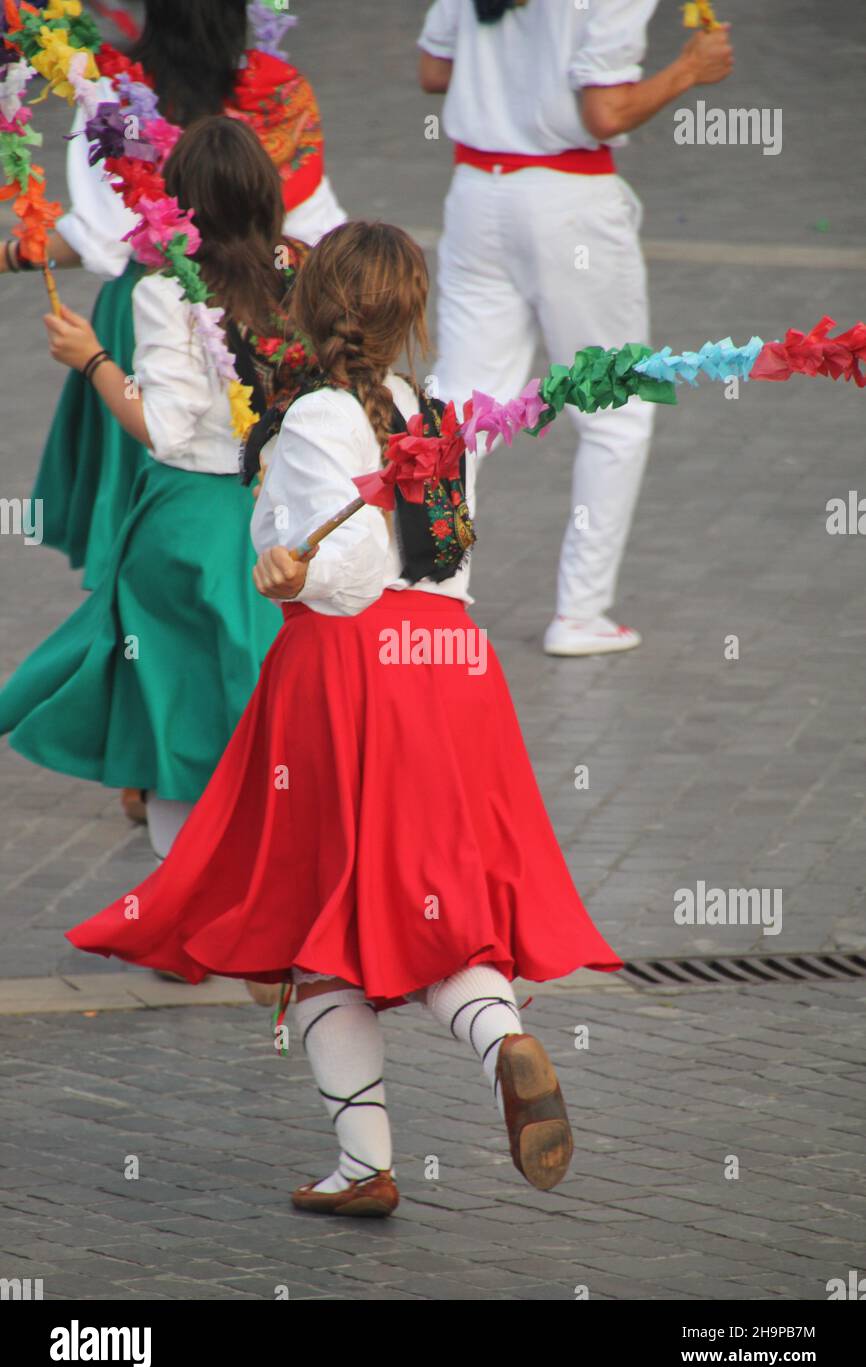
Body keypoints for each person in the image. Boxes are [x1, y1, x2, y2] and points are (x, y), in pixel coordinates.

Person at [67, 221, 623, 1217]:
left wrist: (292, 566)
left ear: (310, 310)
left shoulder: (317, 416)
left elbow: (347, 568)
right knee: (432, 903)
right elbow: (445, 562)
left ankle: (363, 1160)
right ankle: (505, 1040)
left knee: (318, 918)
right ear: (409, 317)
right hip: (451, 670)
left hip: (348, 670)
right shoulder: (436, 414)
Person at [0, 0, 345, 824]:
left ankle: (148, 752)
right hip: (255, 352)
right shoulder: (278, 98)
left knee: (143, 545)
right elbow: (323, 218)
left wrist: (62, 316)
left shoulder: (118, 92)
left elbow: (103, 233)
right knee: (230, 598)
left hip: (136, 336)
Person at [417, 0, 733, 656]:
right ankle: (580, 613)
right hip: (568, 199)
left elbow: (433, 69)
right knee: (617, 409)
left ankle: (430, 593)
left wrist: (503, 73)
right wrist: (688, 71)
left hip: (478, 189)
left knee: (461, 407)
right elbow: (604, 112)